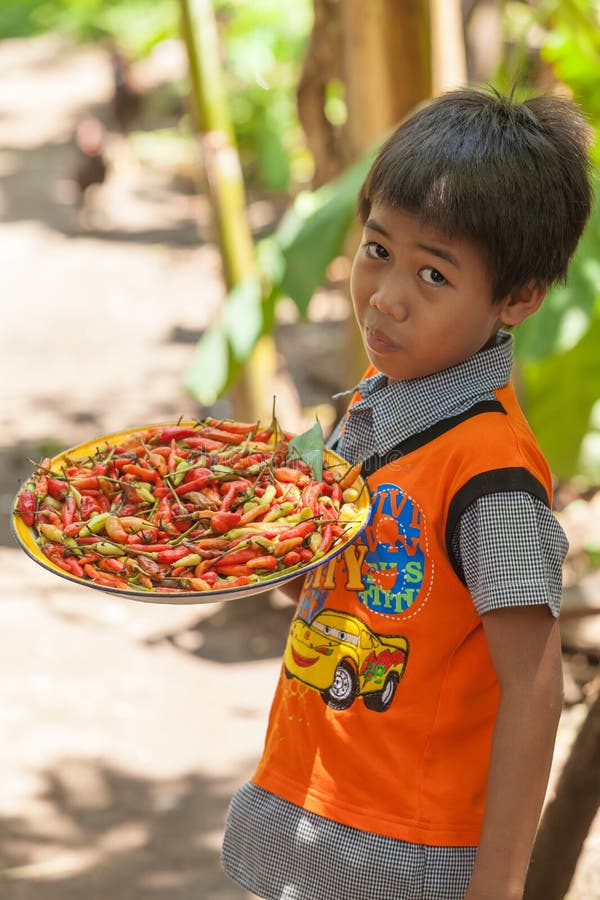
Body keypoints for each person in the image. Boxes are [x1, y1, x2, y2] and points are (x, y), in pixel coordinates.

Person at [221, 87, 593, 900]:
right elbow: (320, 578)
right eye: (377, 249)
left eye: (433, 273)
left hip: (404, 857)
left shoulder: (488, 475)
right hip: (310, 807)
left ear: (518, 298)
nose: (386, 296)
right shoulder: (374, 403)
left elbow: (534, 688)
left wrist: (496, 889)